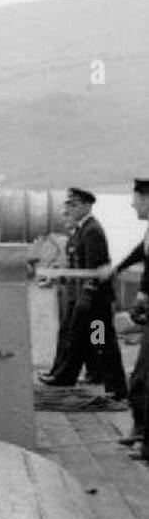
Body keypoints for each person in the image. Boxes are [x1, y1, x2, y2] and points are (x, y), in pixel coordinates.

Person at [41, 188, 127, 401]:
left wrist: (86, 299)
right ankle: (75, 376)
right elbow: (78, 268)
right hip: (87, 299)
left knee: (101, 342)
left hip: (95, 302)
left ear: (87, 206)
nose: (71, 208)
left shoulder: (91, 231)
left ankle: (116, 388)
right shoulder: (82, 230)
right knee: (84, 341)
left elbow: (93, 270)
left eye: (76, 204)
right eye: (70, 204)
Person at [96, 177, 149, 459]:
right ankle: (139, 430)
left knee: (141, 376)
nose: (132, 204)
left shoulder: (91, 232)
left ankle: (145, 440)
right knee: (139, 378)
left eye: (136, 199)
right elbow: (142, 255)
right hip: (98, 313)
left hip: (98, 311)